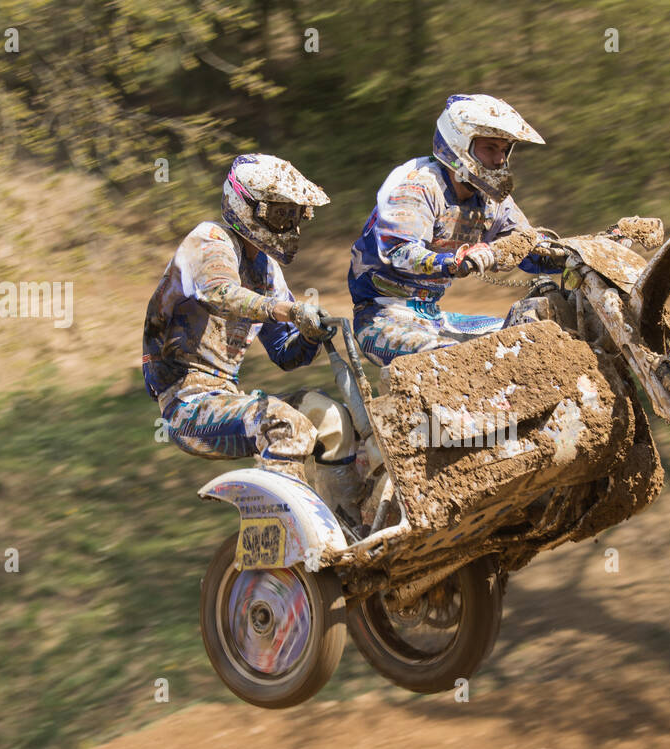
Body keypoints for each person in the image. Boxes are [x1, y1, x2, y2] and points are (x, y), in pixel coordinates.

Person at [142, 153, 361, 513]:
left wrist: (309, 333)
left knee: (331, 416)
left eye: (296, 216)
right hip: (186, 404)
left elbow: (285, 354)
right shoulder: (209, 239)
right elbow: (220, 293)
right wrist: (290, 309)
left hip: (227, 396)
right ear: (247, 207)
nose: (291, 227)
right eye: (281, 215)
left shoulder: (266, 269)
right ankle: (280, 532)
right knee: (285, 424)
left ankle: (350, 522)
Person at [347, 94, 560, 366]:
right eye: (490, 148)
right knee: (456, 360)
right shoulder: (418, 185)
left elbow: (526, 248)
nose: (499, 160)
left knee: (532, 337)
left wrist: (575, 254)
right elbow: (400, 251)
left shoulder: (491, 198)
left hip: (435, 317)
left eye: (504, 150)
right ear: (460, 145)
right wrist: (453, 262)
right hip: (383, 317)